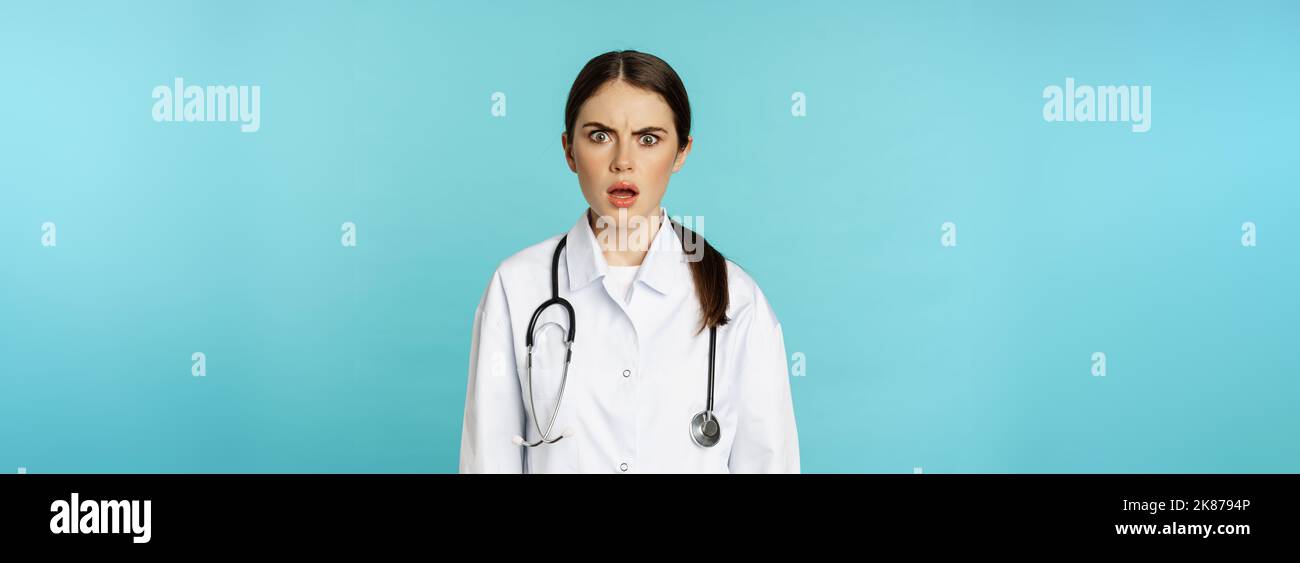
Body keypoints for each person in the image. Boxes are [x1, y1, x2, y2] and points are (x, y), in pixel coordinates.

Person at [459, 50, 799, 473]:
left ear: (681, 153)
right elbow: (488, 460)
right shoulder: (515, 288)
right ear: (569, 150)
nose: (623, 161)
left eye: (648, 139)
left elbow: (770, 463)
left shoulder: (739, 299)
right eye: (600, 136)